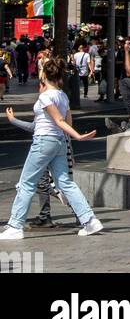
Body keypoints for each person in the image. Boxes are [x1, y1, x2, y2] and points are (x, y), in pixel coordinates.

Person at [0, 56, 103, 241]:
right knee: (66, 183)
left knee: (26, 183)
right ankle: (89, 220)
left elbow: (59, 120)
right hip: (59, 142)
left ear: (43, 75)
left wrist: (77, 136)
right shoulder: (63, 96)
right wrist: (71, 144)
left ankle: (15, 225)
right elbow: (64, 122)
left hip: (43, 141)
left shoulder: (46, 96)